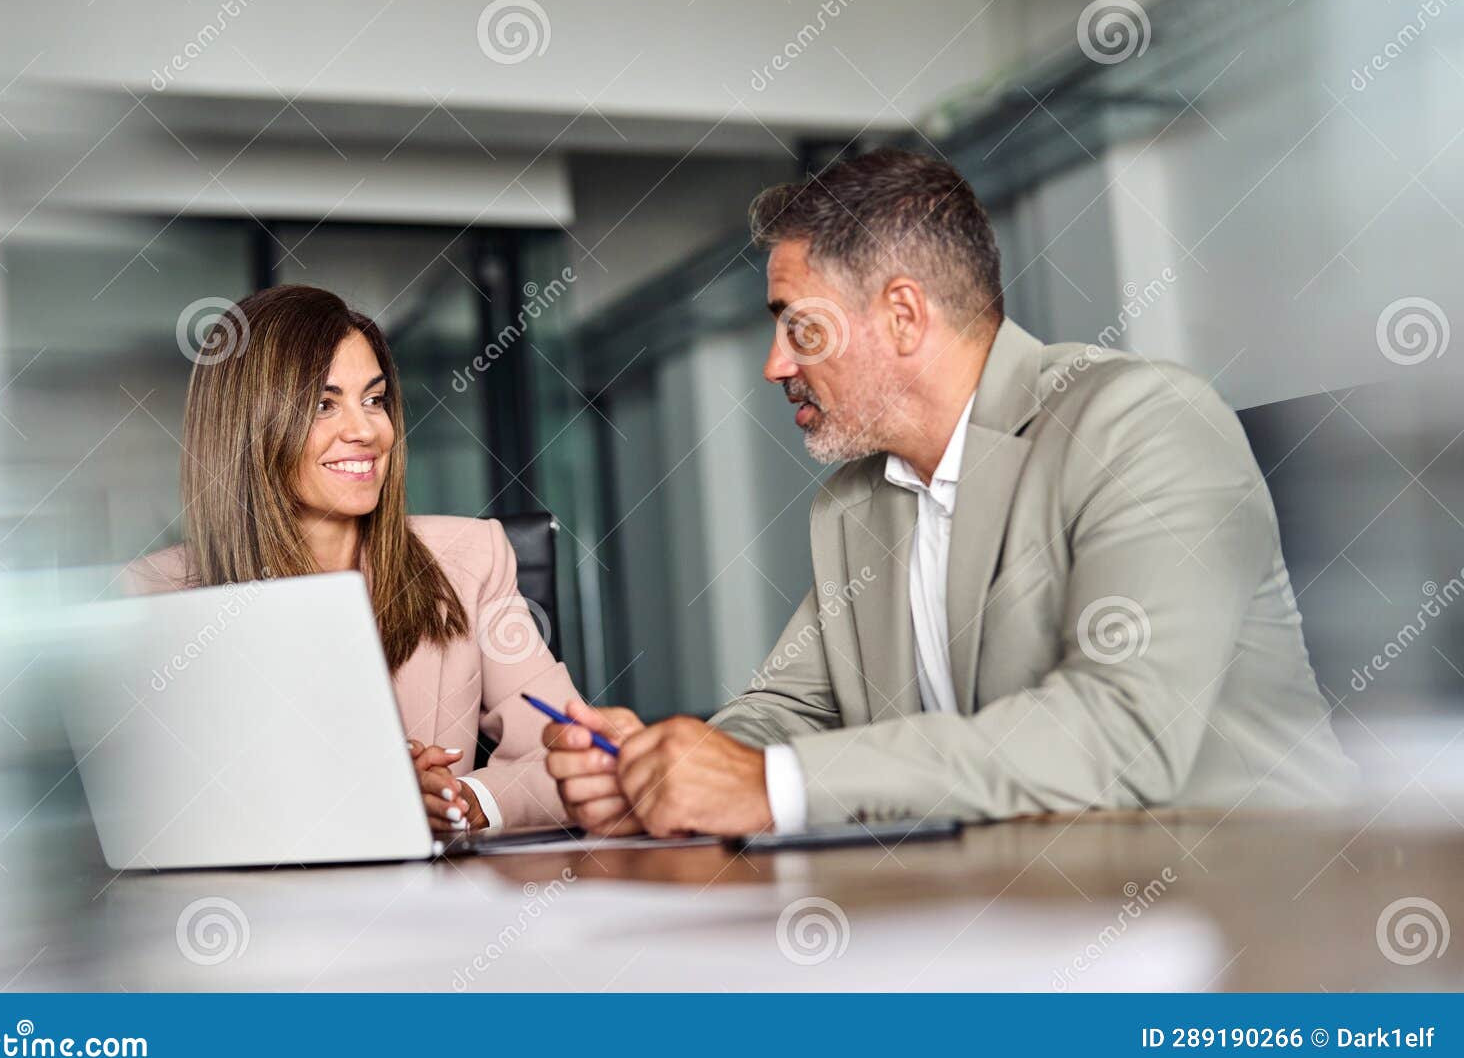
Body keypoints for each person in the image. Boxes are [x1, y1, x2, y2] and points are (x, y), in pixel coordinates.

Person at [544, 148, 1357, 838]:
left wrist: (768, 786)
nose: (775, 364)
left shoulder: (1143, 424)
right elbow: (785, 709)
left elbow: (1123, 734)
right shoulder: (854, 504)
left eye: (798, 325)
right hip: (1033, 932)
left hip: (1260, 932)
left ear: (902, 314)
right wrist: (665, 772)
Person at [126, 284, 573, 833]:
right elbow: (148, 809)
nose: (366, 431)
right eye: (323, 404)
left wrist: (465, 799)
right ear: (249, 428)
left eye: (375, 399)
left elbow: (576, 754)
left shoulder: (472, 559)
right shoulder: (148, 597)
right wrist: (363, 794)